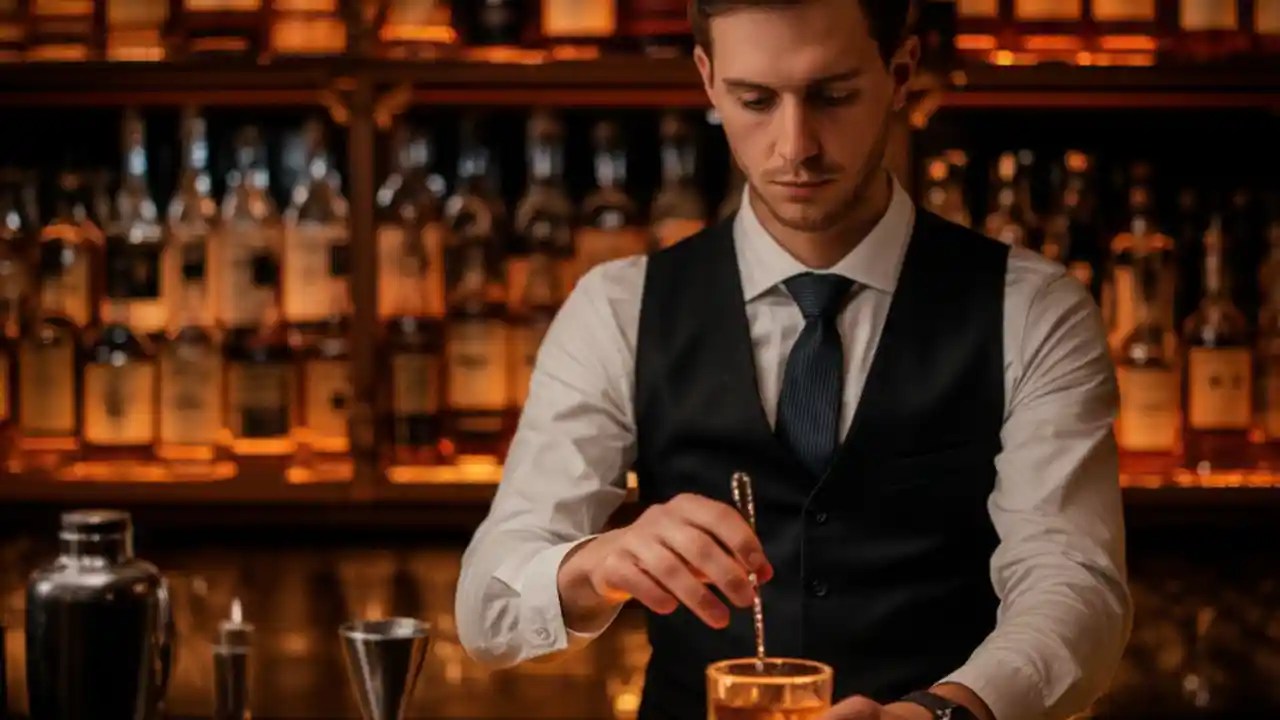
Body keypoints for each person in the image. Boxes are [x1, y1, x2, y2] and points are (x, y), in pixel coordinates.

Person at [455, 0, 1133, 718]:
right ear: (708, 79)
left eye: (833, 96)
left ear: (900, 72)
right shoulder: (618, 308)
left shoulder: (1030, 309)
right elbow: (487, 613)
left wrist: (943, 713)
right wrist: (591, 566)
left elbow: (1076, 587)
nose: (795, 146)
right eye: (755, 100)